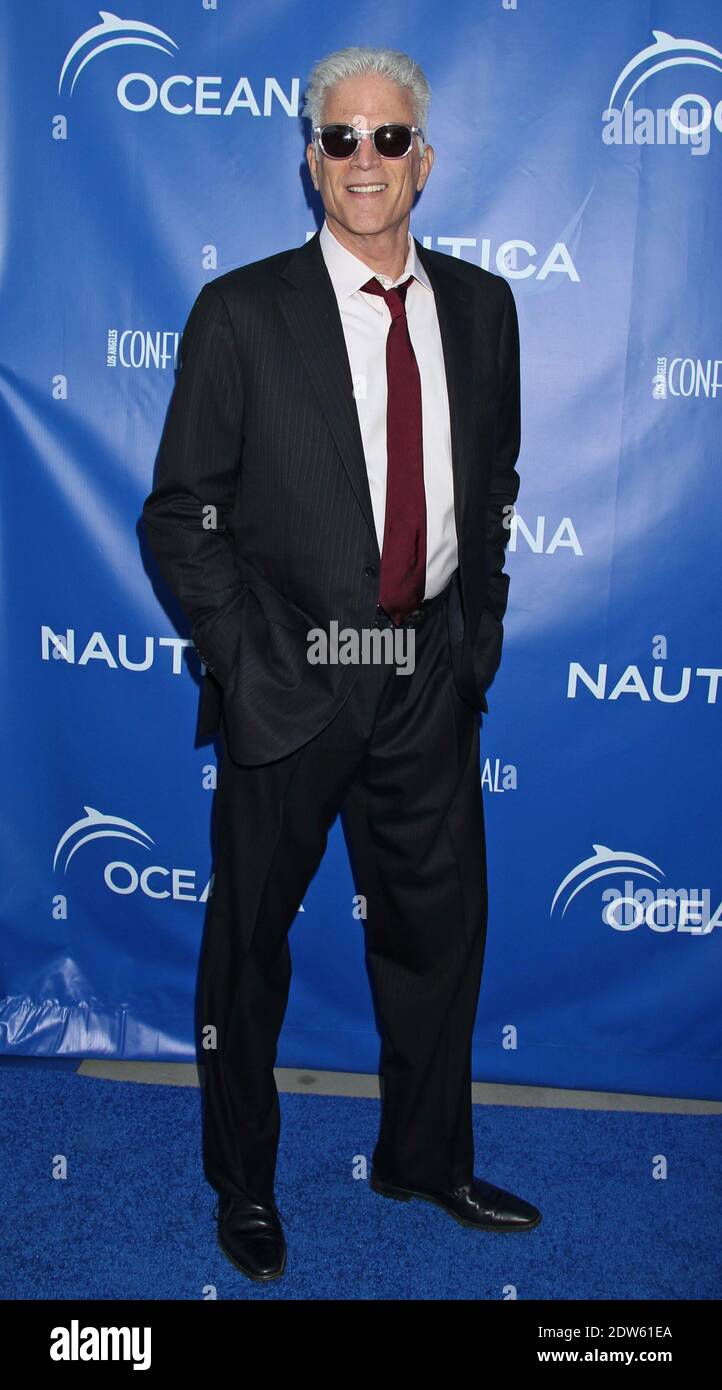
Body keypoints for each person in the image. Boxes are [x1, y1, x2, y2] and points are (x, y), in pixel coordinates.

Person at [142, 44, 539, 1284]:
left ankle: (422, 1157)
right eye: (337, 138)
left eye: (385, 138)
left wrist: (472, 636)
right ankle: (243, 1184)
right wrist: (252, 660)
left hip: (425, 666)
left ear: (422, 160)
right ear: (308, 159)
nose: (360, 160)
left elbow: (494, 484)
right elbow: (181, 515)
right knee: (248, 943)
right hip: (295, 670)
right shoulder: (242, 312)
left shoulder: (481, 308)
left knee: (436, 932)